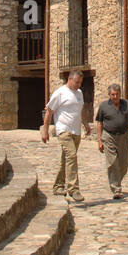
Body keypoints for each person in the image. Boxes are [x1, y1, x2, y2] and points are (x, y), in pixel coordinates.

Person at [41, 71, 90, 204]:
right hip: (64, 131)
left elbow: (81, 110)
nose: (79, 84)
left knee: (67, 159)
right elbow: (49, 111)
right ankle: (73, 189)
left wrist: (85, 124)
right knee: (72, 156)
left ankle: (58, 186)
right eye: (77, 82)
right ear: (69, 79)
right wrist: (45, 131)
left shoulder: (79, 93)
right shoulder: (60, 93)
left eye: (80, 82)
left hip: (76, 132)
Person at [95, 83, 128, 200]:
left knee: (125, 163)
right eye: (112, 94)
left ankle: (116, 180)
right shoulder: (103, 106)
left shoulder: (127, 105)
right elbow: (99, 123)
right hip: (109, 136)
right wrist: (99, 140)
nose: (115, 96)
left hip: (124, 136)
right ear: (109, 95)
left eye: (117, 94)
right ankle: (116, 188)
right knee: (112, 163)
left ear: (120, 94)